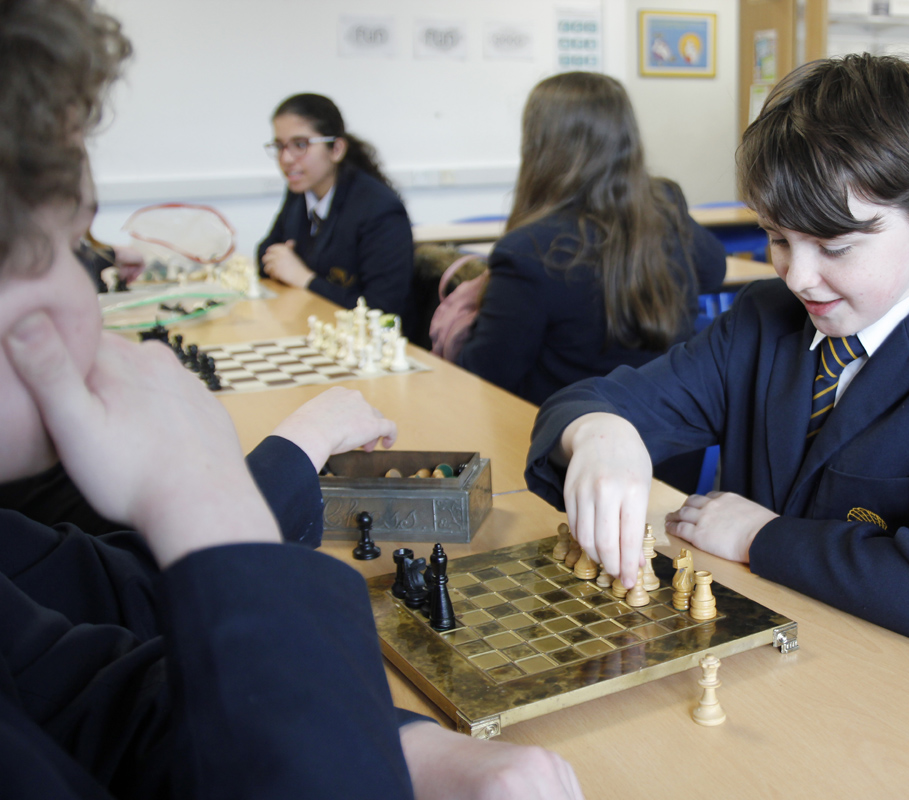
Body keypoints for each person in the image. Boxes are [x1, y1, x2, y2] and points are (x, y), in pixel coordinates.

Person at [0, 2, 583, 798]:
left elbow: (91, 693)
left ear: (333, 148)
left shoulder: (373, 205)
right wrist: (204, 499)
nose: (91, 287)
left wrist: (403, 746)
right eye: (74, 247)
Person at [524, 54, 909, 653]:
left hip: (886, 677)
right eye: (778, 238)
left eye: (834, 246)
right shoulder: (764, 319)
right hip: (755, 640)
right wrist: (601, 433)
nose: (797, 277)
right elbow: (585, 400)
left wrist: (763, 537)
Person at [457, 71, 727, 407]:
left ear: (537, 146)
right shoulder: (663, 204)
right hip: (672, 444)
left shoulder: (528, 251)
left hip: (571, 448)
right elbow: (714, 271)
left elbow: (485, 375)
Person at [257, 93, 416, 330]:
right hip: (312, 325)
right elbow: (265, 255)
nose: (286, 159)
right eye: (279, 146)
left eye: (300, 145)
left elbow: (382, 311)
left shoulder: (380, 210)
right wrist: (286, 267)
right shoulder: (300, 191)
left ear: (337, 149)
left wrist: (304, 279)